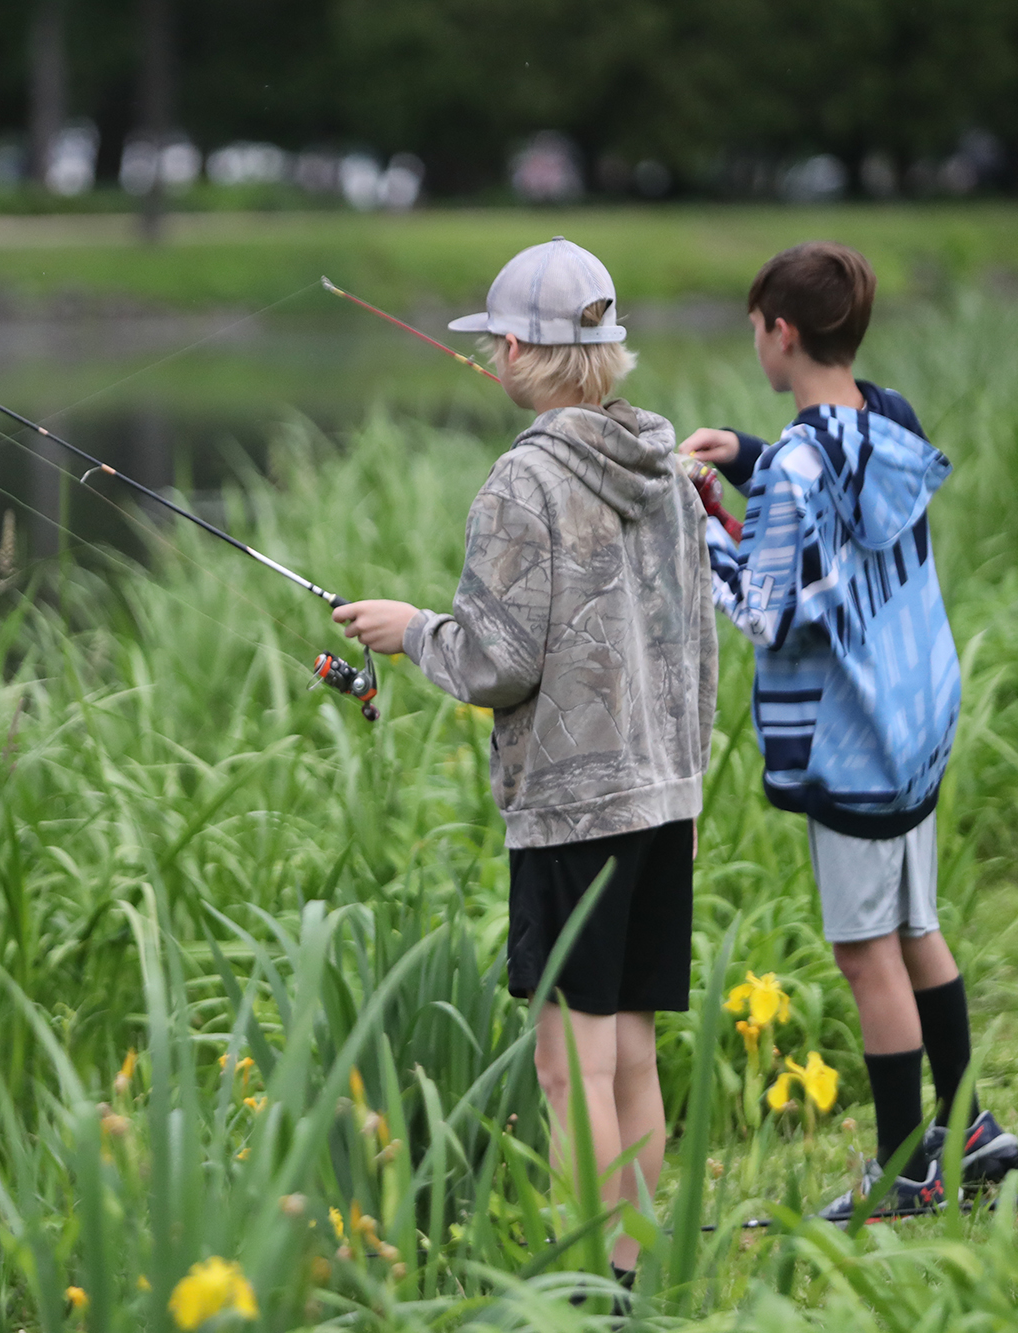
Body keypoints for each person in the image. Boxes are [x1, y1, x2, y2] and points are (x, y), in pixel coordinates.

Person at [334, 237, 717, 1290]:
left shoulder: (522, 482)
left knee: (567, 1067)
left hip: (575, 812)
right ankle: (635, 1287)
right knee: (629, 1050)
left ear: (512, 348)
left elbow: (493, 664)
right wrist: (685, 774)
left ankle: (589, 1296)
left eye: (492, 344)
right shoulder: (669, 467)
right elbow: (700, 643)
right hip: (663, 796)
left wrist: (410, 629)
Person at [679, 242, 1018, 1221]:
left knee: (864, 953)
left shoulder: (796, 466)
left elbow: (761, 610)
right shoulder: (886, 418)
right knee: (916, 925)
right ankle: (963, 1128)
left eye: (754, 328)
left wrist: (702, 523)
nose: (755, 342)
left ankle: (901, 1174)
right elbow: (836, 500)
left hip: (851, 734)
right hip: (913, 712)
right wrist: (745, 458)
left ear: (780, 333)